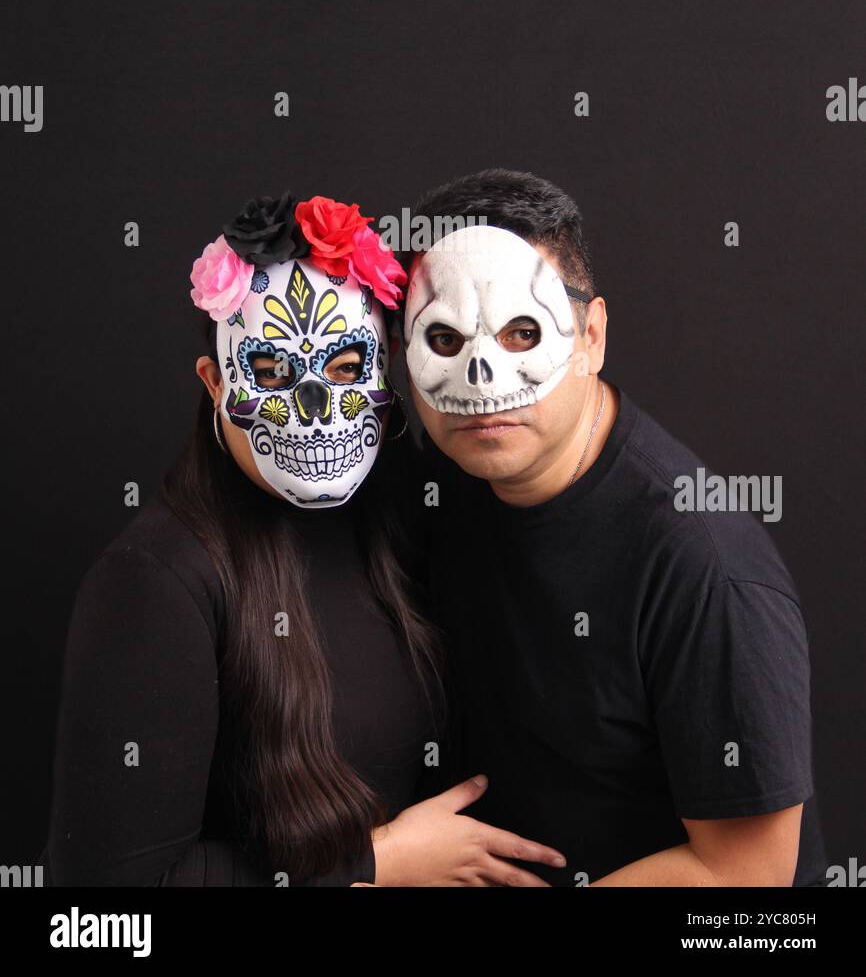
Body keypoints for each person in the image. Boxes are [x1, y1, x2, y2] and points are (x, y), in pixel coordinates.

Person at [38, 188, 566, 886]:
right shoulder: (154, 584)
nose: (316, 410)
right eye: (273, 374)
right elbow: (98, 909)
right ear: (215, 385)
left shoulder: (399, 509)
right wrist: (375, 865)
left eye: (347, 368)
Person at [403, 167, 828, 888]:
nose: (481, 376)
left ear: (590, 337)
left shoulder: (703, 563)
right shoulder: (444, 482)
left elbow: (746, 876)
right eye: (443, 339)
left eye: (522, 331)